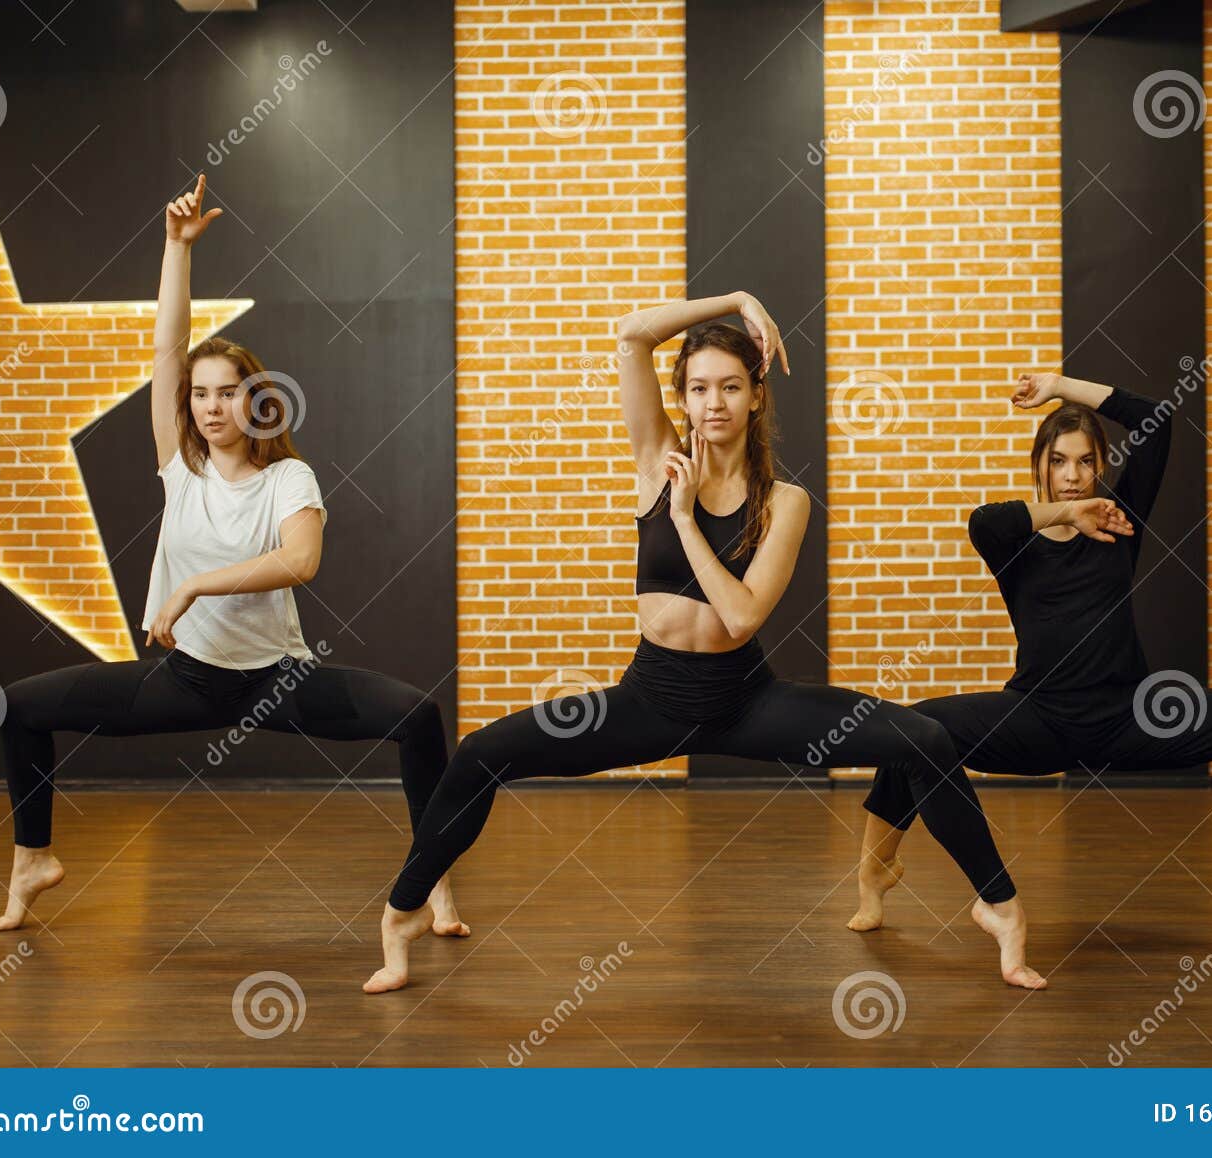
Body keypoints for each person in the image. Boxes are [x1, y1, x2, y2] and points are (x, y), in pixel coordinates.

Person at [364, 291, 1045, 993]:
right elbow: (631, 335)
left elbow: (742, 617)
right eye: (697, 388)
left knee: (925, 739)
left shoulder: (785, 501)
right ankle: (406, 910)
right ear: (681, 400)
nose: (712, 402)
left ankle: (1000, 907)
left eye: (729, 386)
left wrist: (686, 520)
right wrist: (740, 300)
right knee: (480, 754)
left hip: (746, 701)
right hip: (649, 699)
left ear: (755, 396)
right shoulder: (655, 458)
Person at [0, 174, 465, 938]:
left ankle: (431, 882)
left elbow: (300, 562)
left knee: (416, 717)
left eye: (227, 392)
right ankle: (32, 860)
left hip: (278, 680)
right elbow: (167, 346)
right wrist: (176, 248)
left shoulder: (288, 477)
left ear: (256, 400)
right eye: (201, 394)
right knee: (18, 707)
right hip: (188, 680)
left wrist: (193, 588)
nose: (211, 406)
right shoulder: (181, 467)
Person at [847, 370, 1212, 957]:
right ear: (1040, 465)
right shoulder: (1015, 539)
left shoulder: (1120, 521)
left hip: (1132, 715)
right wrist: (1064, 515)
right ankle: (876, 870)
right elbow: (985, 520)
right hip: (1037, 718)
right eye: (1059, 461)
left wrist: (1062, 385)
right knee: (914, 730)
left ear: (1100, 466)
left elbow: (1158, 418)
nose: (1072, 476)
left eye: (1085, 462)